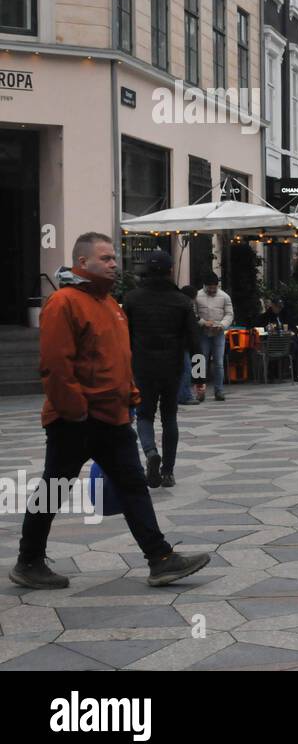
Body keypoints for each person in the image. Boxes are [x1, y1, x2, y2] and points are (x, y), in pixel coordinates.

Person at [9, 232, 210, 590]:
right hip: (77, 420)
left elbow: (118, 357)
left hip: (112, 417)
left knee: (133, 485)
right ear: (82, 263)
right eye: (106, 258)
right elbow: (55, 366)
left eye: (114, 258)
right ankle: (29, 561)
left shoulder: (110, 304)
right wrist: (75, 410)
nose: (114, 264)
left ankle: (160, 558)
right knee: (56, 485)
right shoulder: (64, 302)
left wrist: (130, 395)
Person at [122, 250, 201, 488]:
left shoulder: (132, 299)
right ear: (169, 271)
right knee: (169, 417)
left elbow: (123, 338)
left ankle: (150, 452)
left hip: (143, 368)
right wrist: (200, 377)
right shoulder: (182, 301)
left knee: (144, 415)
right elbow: (195, 340)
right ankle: (168, 472)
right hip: (172, 369)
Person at [194, 272, 233, 401]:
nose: (212, 290)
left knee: (219, 363)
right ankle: (200, 391)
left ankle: (219, 390)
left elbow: (229, 314)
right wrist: (203, 323)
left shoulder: (224, 297)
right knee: (200, 362)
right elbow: (193, 314)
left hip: (218, 333)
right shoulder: (197, 296)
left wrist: (222, 325)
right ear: (204, 286)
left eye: (214, 287)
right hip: (202, 332)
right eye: (209, 287)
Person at [260, 296, 298, 382]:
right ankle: (271, 375)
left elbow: (294, 327)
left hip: (286, 340)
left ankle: (296, 374)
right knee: (272, 347)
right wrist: (268, 328)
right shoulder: (267, 315)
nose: (278, 309)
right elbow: (262, 326)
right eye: (276, 306)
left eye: (280, 307)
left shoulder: (285, 313)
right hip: (273, 340)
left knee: (296, 347)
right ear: (272, 306)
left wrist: (292, 332)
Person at [177, 283, 201, 406]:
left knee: (180, 371)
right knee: (186, 370)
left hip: (175, 343)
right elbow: (191, 328)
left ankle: (181, 394)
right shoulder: (186, 306)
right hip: (183, 343)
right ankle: (184, 395)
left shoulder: (176, 304)